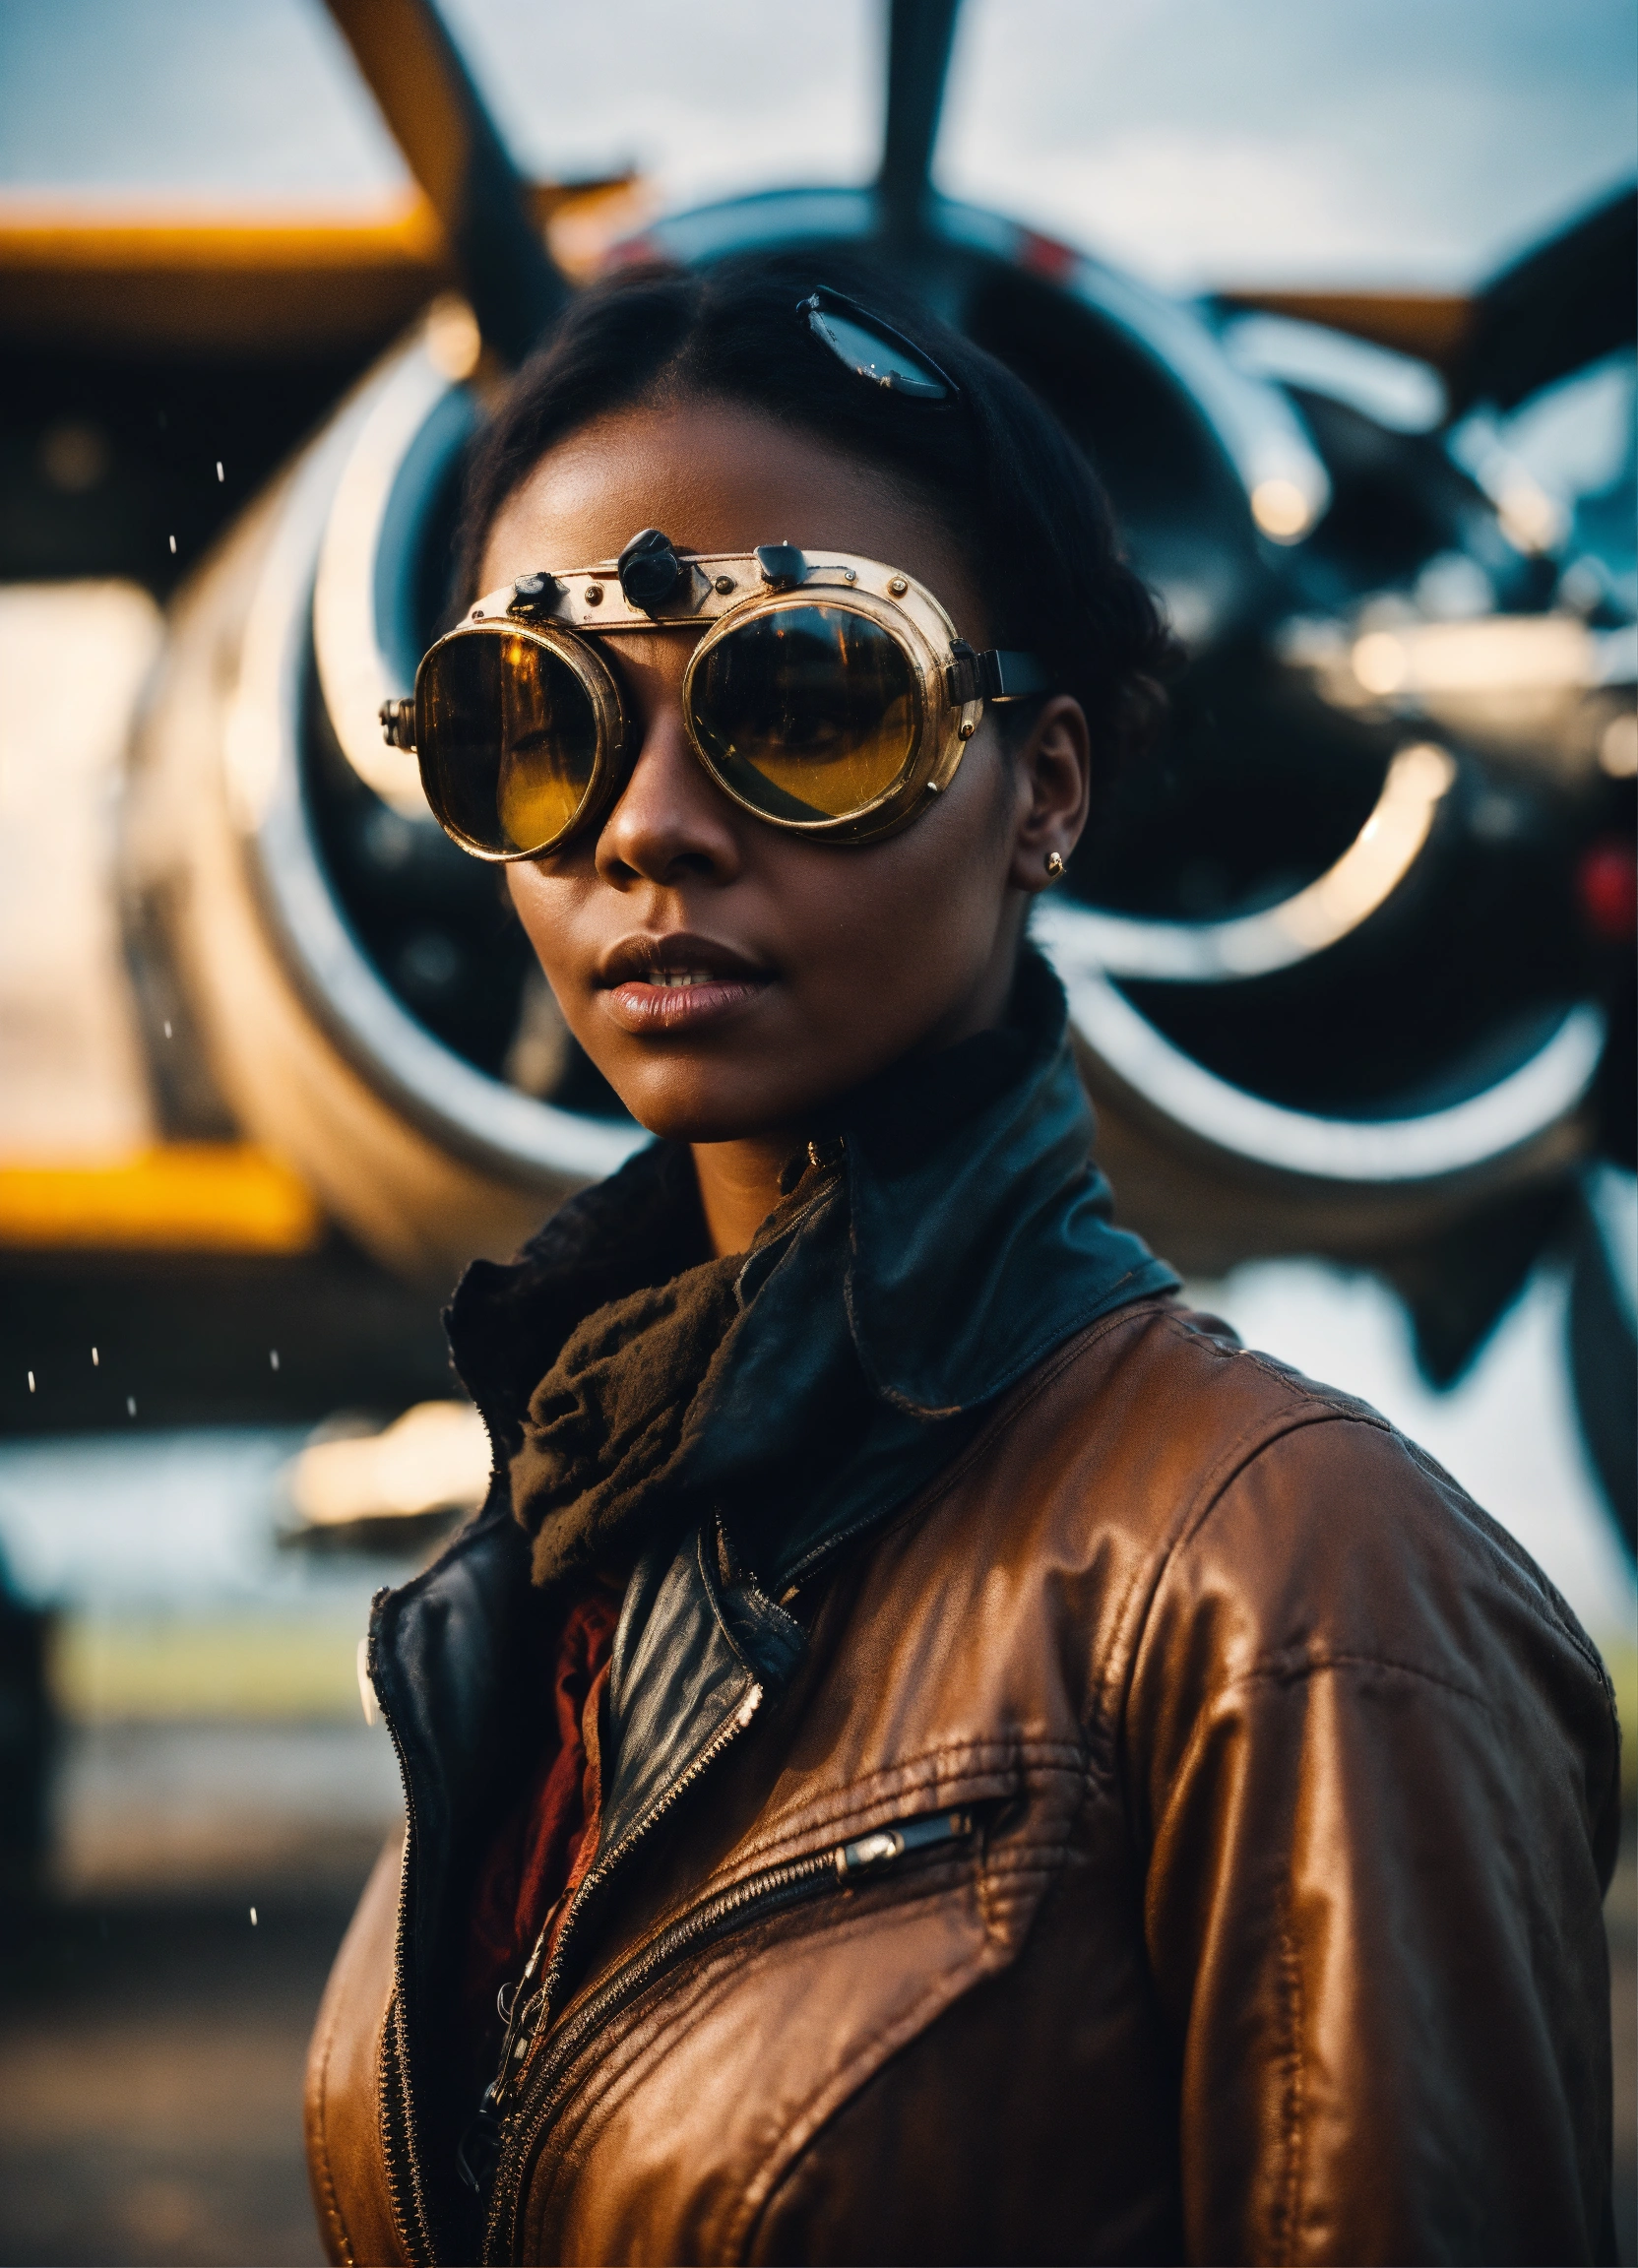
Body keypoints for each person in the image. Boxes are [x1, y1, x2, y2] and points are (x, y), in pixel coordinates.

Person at [305, 256, 1619, 2267]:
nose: (645, 829)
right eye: (532, 722)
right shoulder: (559, 1544)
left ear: (1048, 791)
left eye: (806, 700)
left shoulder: (1302, 1578)